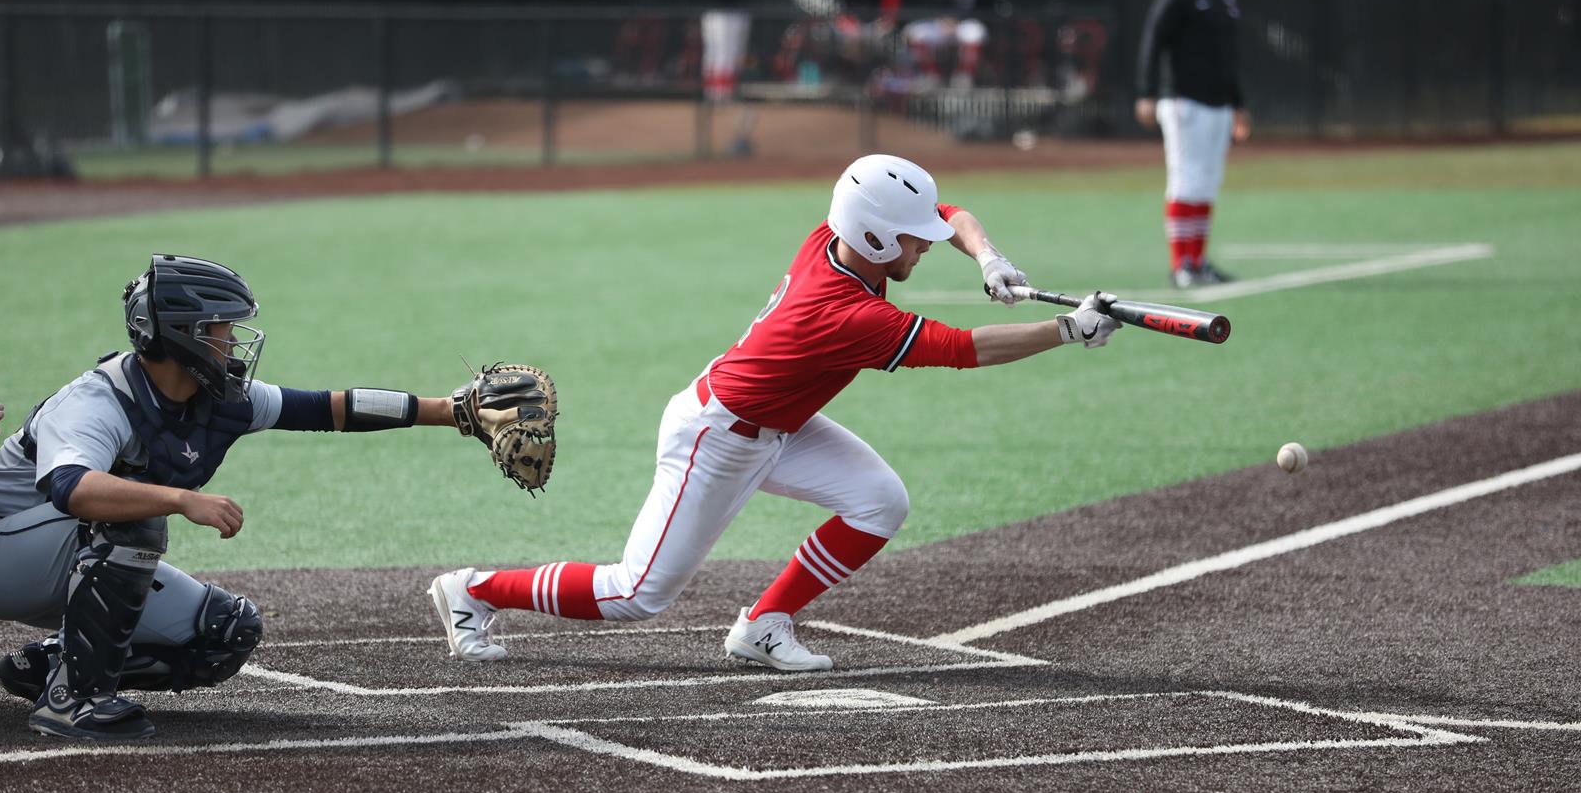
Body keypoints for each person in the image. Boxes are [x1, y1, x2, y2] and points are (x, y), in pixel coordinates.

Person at [427, 154, 1120, 672]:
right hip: (716, 438)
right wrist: (1066, 331)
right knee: (635, 594)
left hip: (776, 426)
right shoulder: (848, 314)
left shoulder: (835, 236)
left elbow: (953, 217)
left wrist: (990, 259)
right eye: (909, 242)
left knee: (878, 502)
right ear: (875, 239)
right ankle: (474, 590)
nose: (923, 248)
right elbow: (965, 350)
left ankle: (764, 623)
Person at [0, 254, 468, 741]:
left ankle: (48, 666)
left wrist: (450, 412)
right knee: (135, 515)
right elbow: (72, 489)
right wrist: (179, 500)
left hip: (61, 560)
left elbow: (329, 407)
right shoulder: (98, 401)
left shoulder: (216, 397)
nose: (234, 342)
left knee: (225, 632)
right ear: (180, 334)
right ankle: (74, 702)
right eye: (222, 328)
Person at [1134, 0, 1252, 288]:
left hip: (1218, 105)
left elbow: (1228, 57)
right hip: (1184, 101)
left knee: (1206, 183)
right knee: (1185, 180)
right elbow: (1152, 42)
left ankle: (1198, 261)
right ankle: (1181, 264)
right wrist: (1146, 92)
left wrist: (1238, 104)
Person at [697, 0, 758, 155]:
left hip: (736, 11)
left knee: (733, 54)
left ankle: (725, 93)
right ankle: (716, 95)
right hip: (717, 12)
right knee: (717, 53)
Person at [903, 0, 993, 89]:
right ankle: (931, 76)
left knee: (975, 31)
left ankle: (964, 77)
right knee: (915, 32)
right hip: (942, 28)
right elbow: (927, 10)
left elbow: (985, 13)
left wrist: (958, 21)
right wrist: (941, 21)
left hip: (962, 28)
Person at [832, 0, 901, 80]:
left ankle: (873, 78)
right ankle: (848, 77)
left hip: (878, 29)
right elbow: (840, 17)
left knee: (872, 40)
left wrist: (869, 31)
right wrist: (853, 29)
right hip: (855, 31)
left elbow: (891, 17)